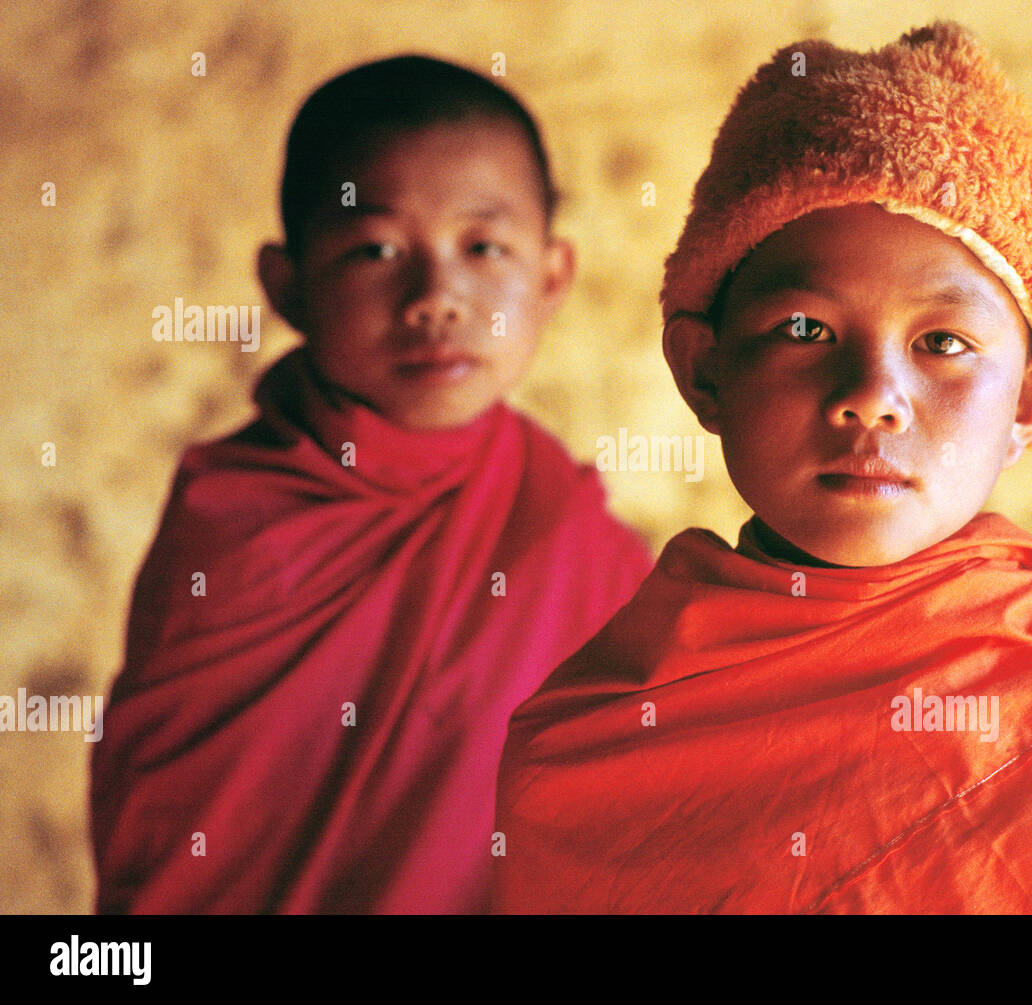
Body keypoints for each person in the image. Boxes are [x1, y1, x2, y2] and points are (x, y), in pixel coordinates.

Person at [491, 22, 1032, 913]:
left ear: (1030, 404)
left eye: (943, 343)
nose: (872, 395)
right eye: (806, 330)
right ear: (704, 371)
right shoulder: (591, 747)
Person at [92, 55, 653, 914]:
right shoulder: (235, 520)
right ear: (288, 286)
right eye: (375, 247)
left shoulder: (562, 524)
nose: (436, 297)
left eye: (484, 246)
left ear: (550, 278)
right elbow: (170, 842)